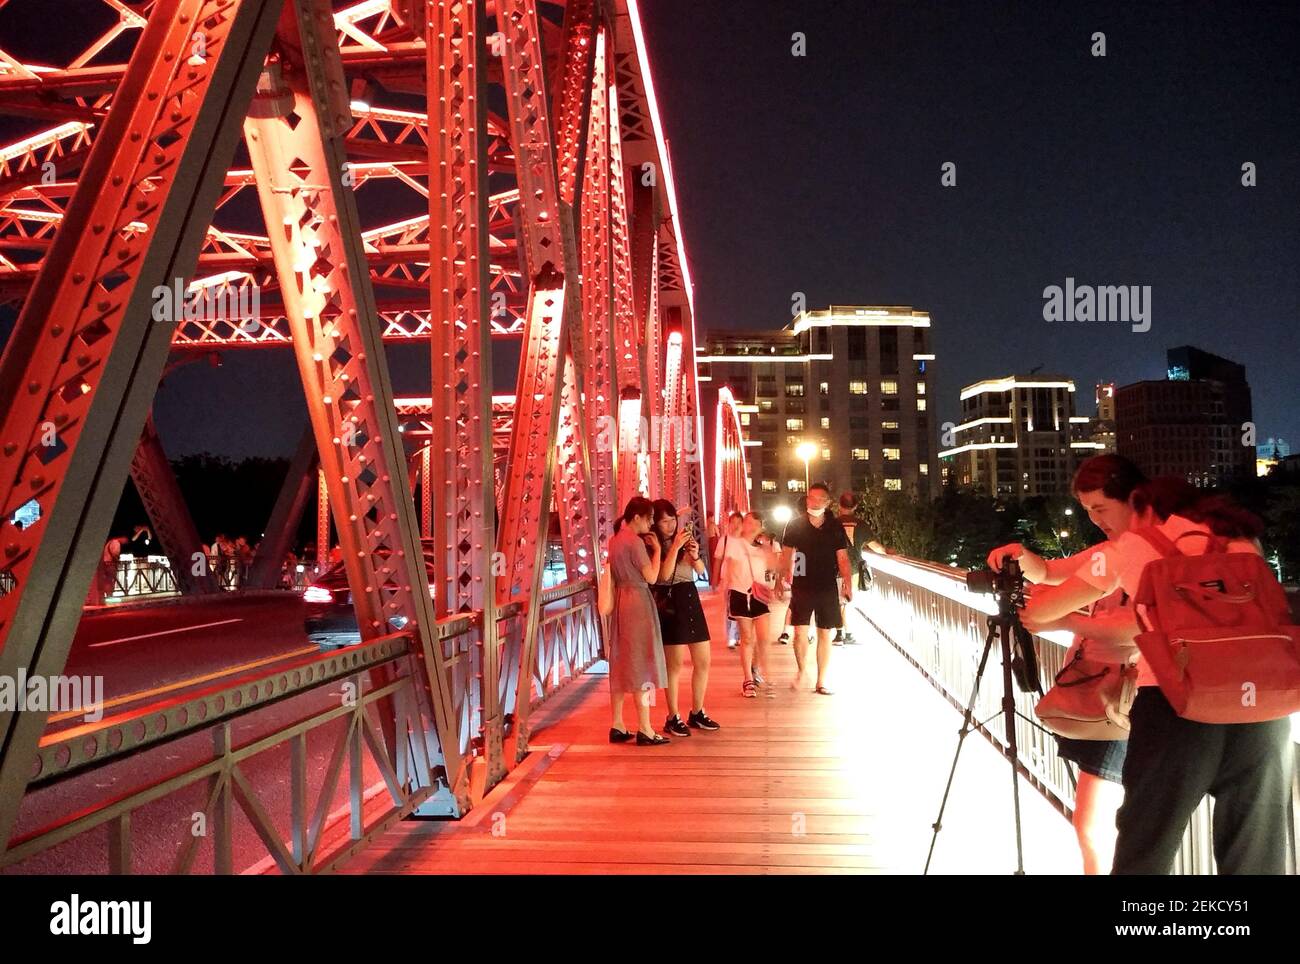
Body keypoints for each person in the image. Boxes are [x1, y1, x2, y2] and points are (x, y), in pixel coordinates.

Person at [1018, 481, 1293, 875]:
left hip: (1176, 706)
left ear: (1147, 511)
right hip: (1263, 705)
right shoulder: (1240, 540)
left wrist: (1053, 615)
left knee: (1146, 844)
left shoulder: (1136, 544)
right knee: (1256, 854)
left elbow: (1056, 612)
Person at [987, 455, 1163, 874]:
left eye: (1101, 508)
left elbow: (1136, 627)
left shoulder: (1148, 551)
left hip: (1125, 702)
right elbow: (1051, 572)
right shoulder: (1112, 550)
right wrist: (1020, 556)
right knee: (1100, 824)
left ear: (1134, 498)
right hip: (1100, 697)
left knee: (1093, 825)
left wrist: (1067, 619)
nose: (1096, 519)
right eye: (1088, 511)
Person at [650, 500, 720, 736]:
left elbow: (700, 571)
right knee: (675, 665)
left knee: (703, 659)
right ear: (655, 523)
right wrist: (673, 547)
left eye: (672, 520)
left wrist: (694, 554)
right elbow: (663, 575)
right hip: (670, 600)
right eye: (664, 521)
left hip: (690, 596)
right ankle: (672, 716)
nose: (670, 526)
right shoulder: (652, 544)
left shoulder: (684, 541)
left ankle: (697, 711)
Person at [607, 497, 671, 745]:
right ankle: (645, 727)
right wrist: (656, 551)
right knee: (645, 663)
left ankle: (618, 723)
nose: (652, 523)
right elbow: (652, 577)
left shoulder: (614, 542)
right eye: (650, 518)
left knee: (623, 661)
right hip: (639, 602)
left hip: (621, 601)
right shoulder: (634, 543)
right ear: (636, 518)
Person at [780, 483, 852, 694]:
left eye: (819, 499)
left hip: (827, 584)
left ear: (827, 503)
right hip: (802, 583)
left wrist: (847, 583)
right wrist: (781, 578)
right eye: (810, 498)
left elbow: (843, 557)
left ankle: (821, 680)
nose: (813, 502)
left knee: (825, 632)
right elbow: (786, 554)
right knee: (800, 631)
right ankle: (802, 670)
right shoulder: (795, 525)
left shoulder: (835, 526)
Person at [722, 511, 779, 698]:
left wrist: (768, 548)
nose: (752, 526)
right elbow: (730, 568)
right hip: (740, 593)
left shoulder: (764, 547)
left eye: (756, 523)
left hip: (759, 595)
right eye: (749, 522)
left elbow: (774, 567)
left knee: (763, 638)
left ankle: (764, 673)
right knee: (747, 638)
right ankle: (748, 679)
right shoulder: (734, 543)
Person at [834, 492, 887, 644]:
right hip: (853, 568)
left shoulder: (832, 524)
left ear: (839, 505)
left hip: (834, 567)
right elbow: (874, 545)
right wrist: (887, 551)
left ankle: (839, 633)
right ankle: (848, 633)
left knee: (838, 601)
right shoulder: (861, 525)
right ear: (856, 506)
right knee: (849, 600)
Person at [712, 512, 744, 650]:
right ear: (729, 524)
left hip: (744, 580)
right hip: (728, 580)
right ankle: (731, 637)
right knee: (729, 609)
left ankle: (739, 636)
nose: (736, 526)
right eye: (733, 522)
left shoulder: (746, 541)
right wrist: (715, 579)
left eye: (739, 522)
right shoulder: (724, 540)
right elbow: (718, 561)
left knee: (743, 610)